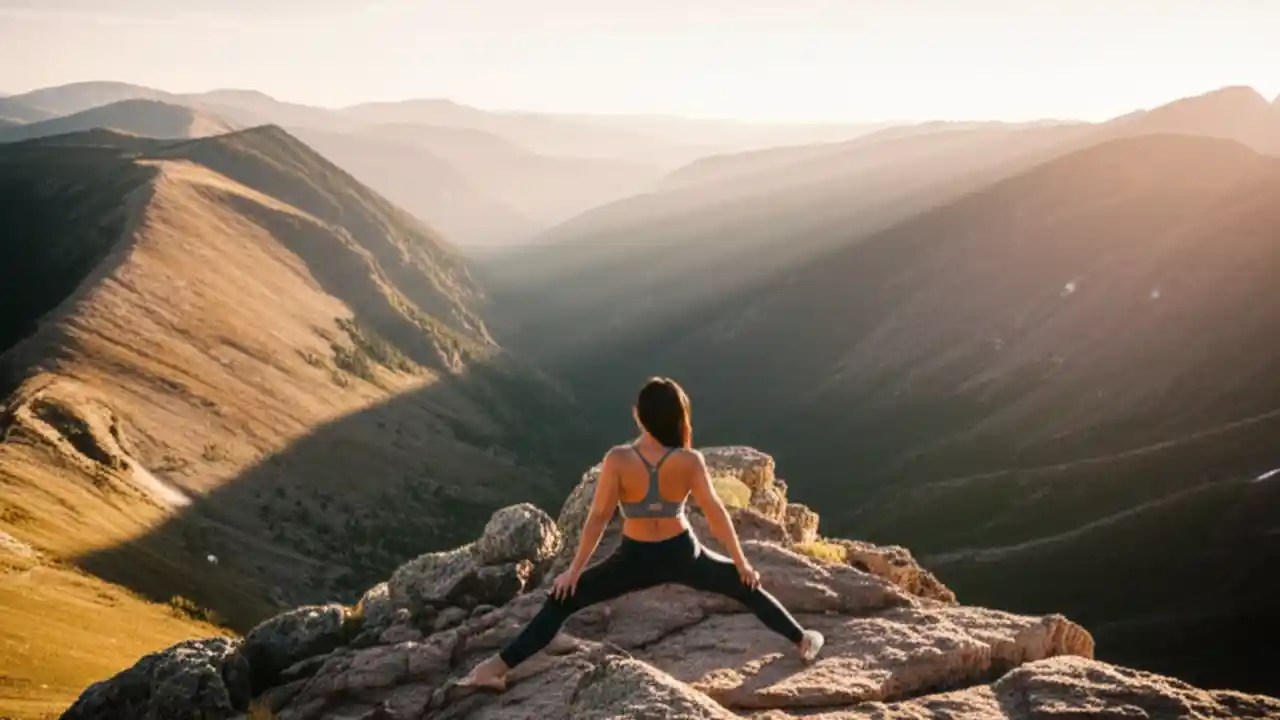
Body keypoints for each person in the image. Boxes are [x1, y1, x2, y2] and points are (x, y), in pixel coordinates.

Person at [459, 377, 823, 691]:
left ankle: (491, 671)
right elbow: (715, 514)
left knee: (562, 602)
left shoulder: (618, 459)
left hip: (634, 557)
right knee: (746, 588)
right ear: (678, 416)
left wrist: (573, 571)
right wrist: (742, 563)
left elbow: (598, 519)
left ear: (639, 414)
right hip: (683, 554)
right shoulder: (688, 460)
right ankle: (803, 640)